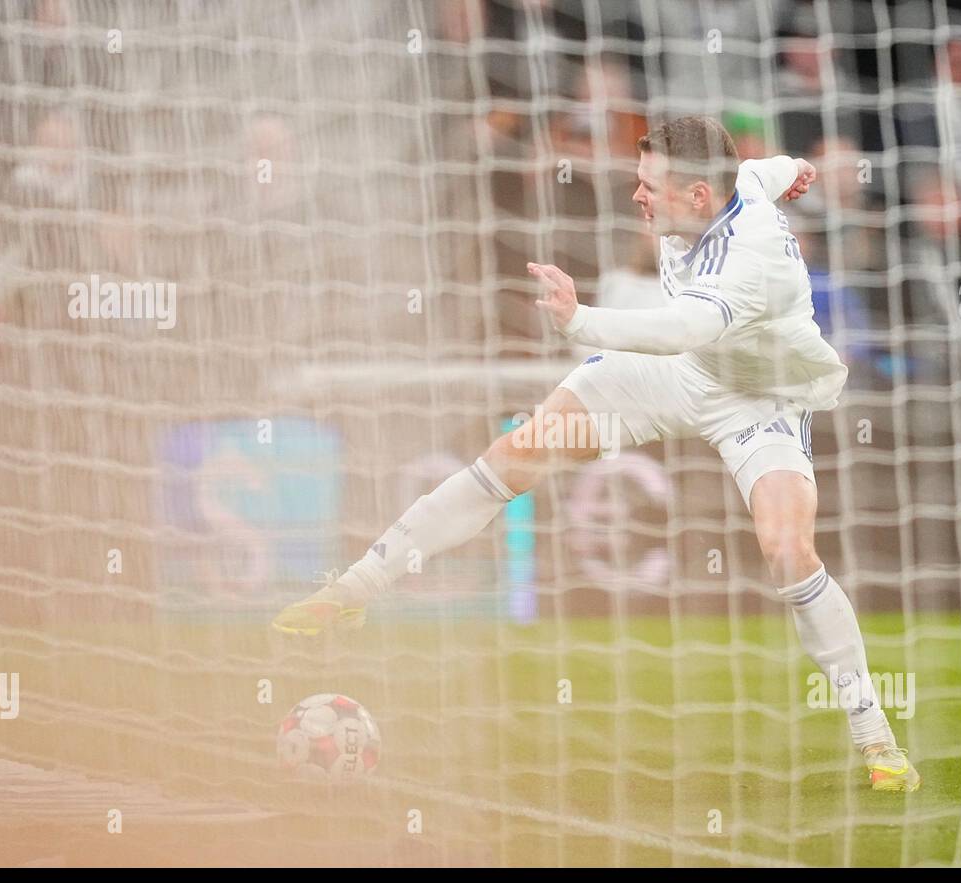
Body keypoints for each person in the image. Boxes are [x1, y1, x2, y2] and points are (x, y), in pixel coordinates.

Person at [271, 115, 921, 792]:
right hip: (679, 377)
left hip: (760, 402)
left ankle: (876, 737)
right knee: (518, 452)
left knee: (788, 550)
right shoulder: (739, 184)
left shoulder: (747, 255)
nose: (637, 196)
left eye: (650, 187)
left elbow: (683, 327)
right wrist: (798, 170)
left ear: (698, 196)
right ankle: (354, 589)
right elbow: (765, 171)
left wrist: (579, 320)